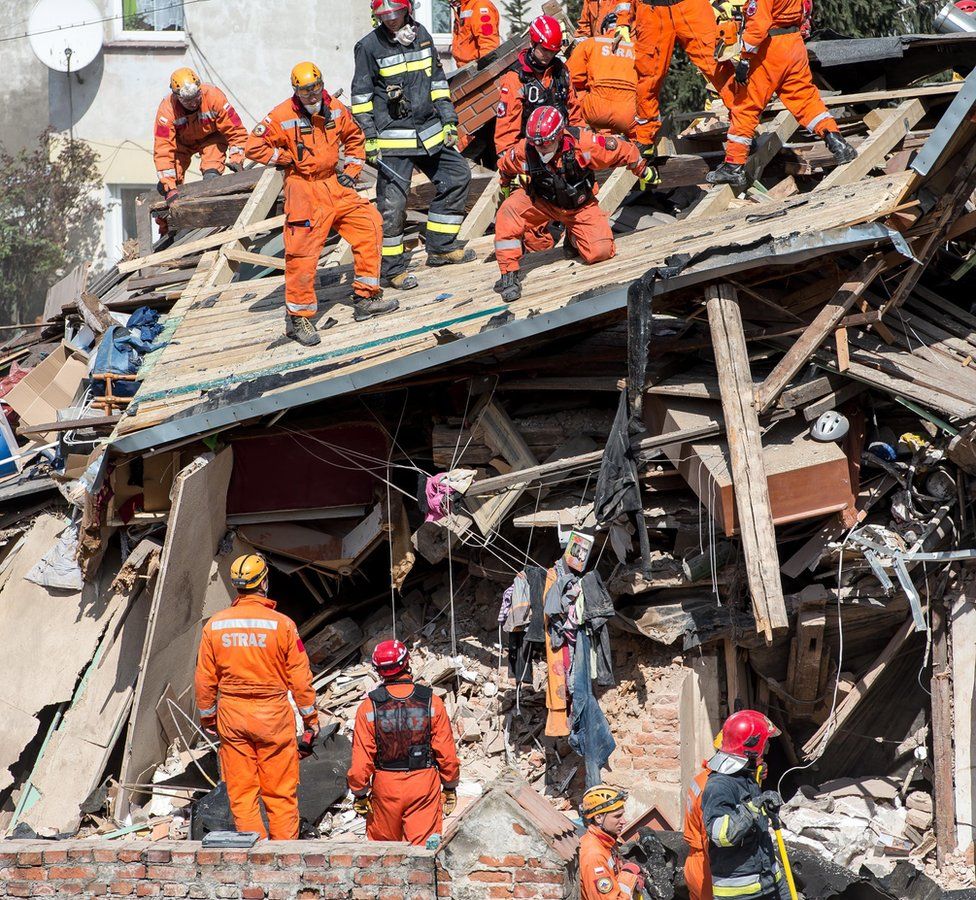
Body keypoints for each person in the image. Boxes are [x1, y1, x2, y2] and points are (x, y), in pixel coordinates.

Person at [246, 62, 395, 346]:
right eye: (305, 91)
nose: (312, 95)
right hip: (303, 189)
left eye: (315, 88)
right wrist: (285, 158)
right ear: (296, 92)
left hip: (333, 184)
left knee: (370, 224)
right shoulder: (281, 115)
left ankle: (366, 297)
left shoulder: (336, 108)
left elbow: (355, 139)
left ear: (322, 84)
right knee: (302, 255)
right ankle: (298, 319)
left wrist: (351, 172)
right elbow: (253, 147)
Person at [194, 553, 318, 840]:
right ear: (263, 581)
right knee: (280, 794)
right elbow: (300, 678)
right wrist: (310, 719)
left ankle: (256, 856)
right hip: (272, 716)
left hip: (232, 716)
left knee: (242, 795)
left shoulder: (215, 626)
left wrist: (208, 717)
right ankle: (283, 857)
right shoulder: (282, 625)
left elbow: (204, 679)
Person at [352, 0, 475, 291]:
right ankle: (391, 270)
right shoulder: (368, 47)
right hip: (394, 140)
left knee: (457, 175)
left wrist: (448, 120)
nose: (391, 21)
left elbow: (437, 82)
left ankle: (441, 247)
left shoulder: (422, 36)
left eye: (396, 14)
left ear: (407, 10)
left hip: (429, 132)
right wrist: (369, 136)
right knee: (393, 205)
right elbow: (360, 98)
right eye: (385, 16)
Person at [493, 105, 650, 303]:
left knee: (600, 252)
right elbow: (506, 166)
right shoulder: (525, 149)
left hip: (579, 207)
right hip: (542, 202)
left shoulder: (584, 144)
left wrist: (643, 170)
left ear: (559, 135)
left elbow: (623, 150)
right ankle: (509, 275)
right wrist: (505, 185)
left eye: (546, 143)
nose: (541, 148)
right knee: (508, 212)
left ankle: (574, 237)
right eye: (536, 144)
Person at [707, 0, 855, 189]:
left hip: (770, 49)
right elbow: (804, 12)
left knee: (746, 106)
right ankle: (837, 143)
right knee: (806, 100)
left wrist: (745, 59)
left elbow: (758, 25)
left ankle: (734, 165)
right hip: (794, 44)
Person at [347, 639, 461, 845]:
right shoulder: (431, 701)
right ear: (407, 662)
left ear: (378, 670)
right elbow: (446, 752)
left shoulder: (368, 707)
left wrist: (360, 793)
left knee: (384, 853)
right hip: (423, 785)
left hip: (385, 786)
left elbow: (361, 759)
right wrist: (450, 786)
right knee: (423, 851)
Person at [613, 0, 735, 156]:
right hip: (651, 12)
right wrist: (623, 21)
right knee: (647, 79)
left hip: (691, 7)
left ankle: (742, 130)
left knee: (718, 66)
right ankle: (645, 139)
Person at [702, 710, 789, 900]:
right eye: (764, 746)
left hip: (770, 880)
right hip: (740, 892)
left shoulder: (745, 778)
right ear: (751, 749)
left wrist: (766, 804)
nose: (766, 751)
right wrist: (753, 807)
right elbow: (721, 835)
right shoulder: (718, 785)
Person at [152, 67, 247, 232]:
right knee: (167, 186)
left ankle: (208, 220)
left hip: (211, 138)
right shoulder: (166, 111)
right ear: (176, 96)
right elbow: (163, 148)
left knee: (211, 176)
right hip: (181, 144)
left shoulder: (214, 97)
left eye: (196, 97)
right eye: (187, 100)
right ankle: (167, 229)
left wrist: (237, 158)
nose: (193, 102)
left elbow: (236, 130)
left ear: (200, 89)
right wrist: (169, 185)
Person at [494, 14, 582, 157]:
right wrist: (510, 160)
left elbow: (575, 113)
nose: (549, 55)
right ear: (532, 43)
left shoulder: (561, 72)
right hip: (532, 151)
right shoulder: (515, 79)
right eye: (545, 50)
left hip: (563, 147)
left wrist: (579, 143)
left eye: (553, 51)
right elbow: (507, 129)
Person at [567, 13, 637, 137]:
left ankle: (589, 135)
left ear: (604, 29)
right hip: (629, 116)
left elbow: (572, 77)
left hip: (595, 113)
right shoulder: (638, 49)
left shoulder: (591, 43)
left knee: (575, 91)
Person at [578, 784, 645, 899]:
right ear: (598, 818)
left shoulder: (607, 841)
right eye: (617, 816)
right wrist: (628, 878)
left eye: (622, 815)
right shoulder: (594, 855)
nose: (623, 821)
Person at [450, 0, 500, 68]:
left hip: (476, 67)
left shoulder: (480, 5)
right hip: (466, 67)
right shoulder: (463, 6)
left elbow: (488, 43)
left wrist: (486, 69)